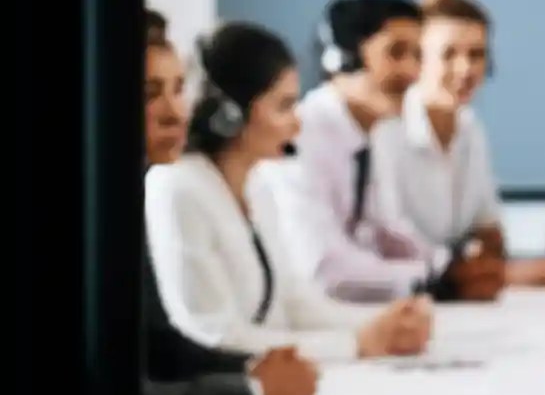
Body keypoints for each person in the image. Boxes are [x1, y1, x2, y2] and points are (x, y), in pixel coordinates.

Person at [145, 20, 433, 362]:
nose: (297, 124)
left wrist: (382, 324)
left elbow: (291, 301)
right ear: (230, 114)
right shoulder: (179, 188)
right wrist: (356, 343)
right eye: (283, 106)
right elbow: (215, 334)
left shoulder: (258, 187)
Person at [143, 9, 316, 395]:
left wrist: (251, 368)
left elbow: (157, 342)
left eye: (179, 89)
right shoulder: (173, 186)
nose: (176, 113)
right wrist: (251, 392)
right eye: (149, 93)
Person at [381, 0, 545, 298]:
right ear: (417, 58)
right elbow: (390, 242)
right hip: (400, 294)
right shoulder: (386, 131)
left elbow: (488, 226)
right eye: (449, 54)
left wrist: (489, 254)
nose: (466, 69)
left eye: (477, 54)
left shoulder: (470, 128)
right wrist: (503, 273)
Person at [270, 0, 448, 303]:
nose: (413, 72)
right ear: (342, 58)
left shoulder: (367, 133)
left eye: (418, 56)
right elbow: (325, 268)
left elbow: (385, 232)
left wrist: (447, 266)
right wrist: (430, 278)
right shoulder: (300, 137)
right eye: (396, 53)